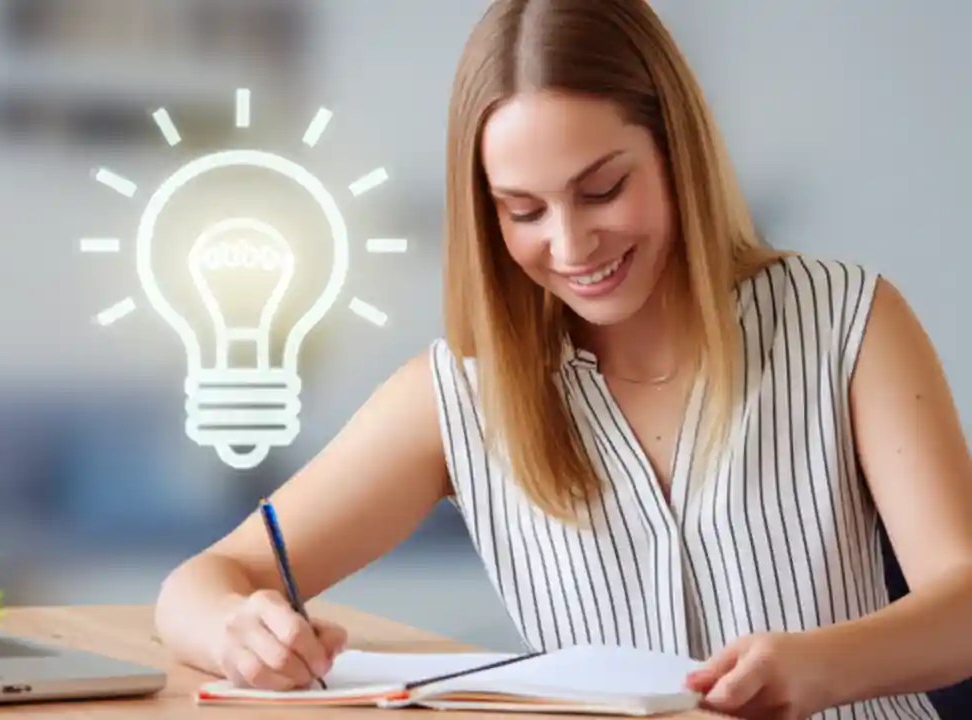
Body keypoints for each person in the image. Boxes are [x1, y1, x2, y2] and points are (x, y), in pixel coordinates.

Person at [154, 1, 972, 718]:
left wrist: (821, 668)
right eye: (524, 210)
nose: (572, 245)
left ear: (674, 151)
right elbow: (204, 578)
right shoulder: (460, 398)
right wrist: (237, 630)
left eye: (603, 190)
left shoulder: (847, 322)